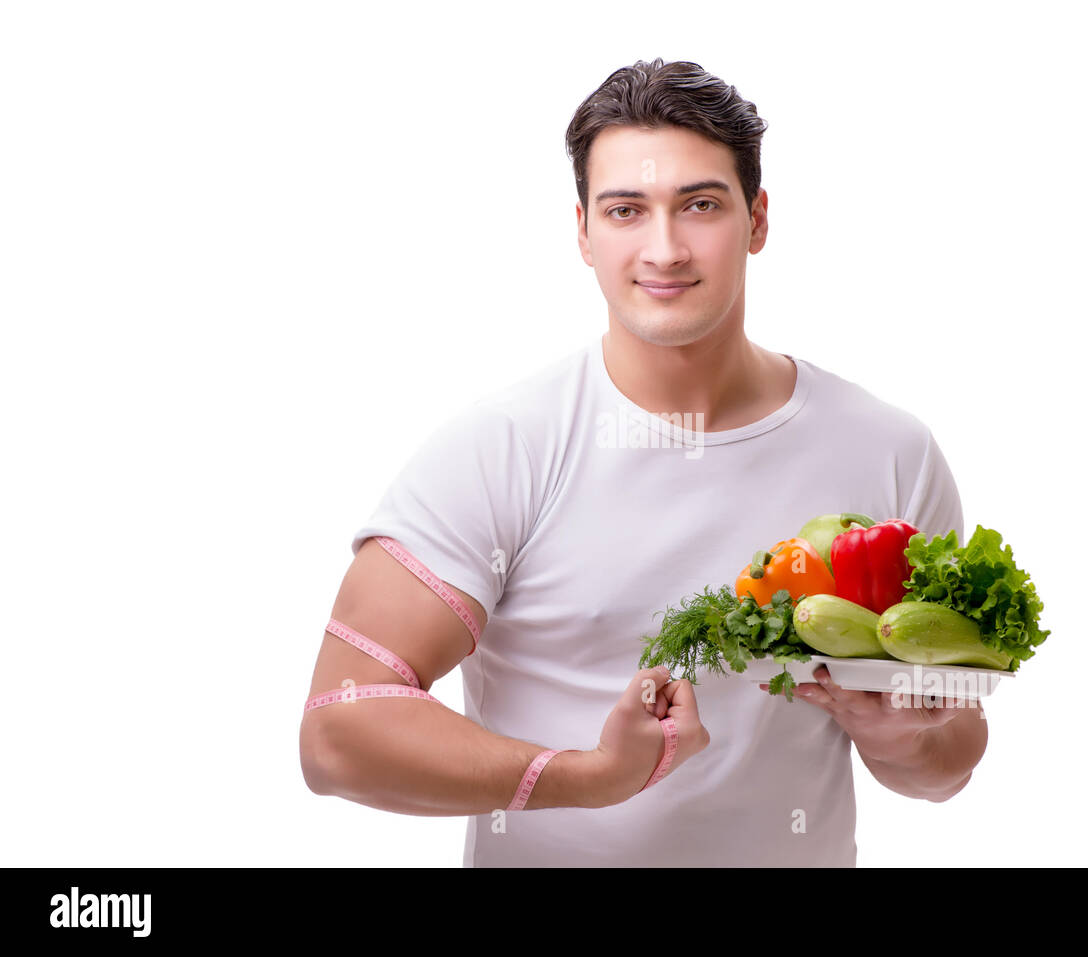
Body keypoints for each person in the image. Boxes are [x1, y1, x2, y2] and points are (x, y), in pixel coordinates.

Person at [299, 57, 988, 867]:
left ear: (758, 219)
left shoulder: (889, 451)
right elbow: (338, 730)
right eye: (627, 209)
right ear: (584, 233)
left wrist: (898, 734)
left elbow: (950, 762)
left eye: (700, 204)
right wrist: (586, 777)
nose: (665, 249)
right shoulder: (505, 448)